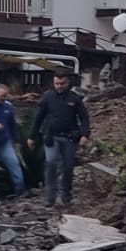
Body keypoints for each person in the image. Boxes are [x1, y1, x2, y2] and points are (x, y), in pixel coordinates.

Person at [29, 72, 91, 208]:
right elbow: (38, 117)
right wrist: (32, 136)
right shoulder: (47, 97)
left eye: (62, 83)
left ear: (67, 83)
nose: (59, 86)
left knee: (68, 166)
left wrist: (85, 135)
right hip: (51, 137)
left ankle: (66, 196)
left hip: (70, 138)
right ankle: (50, 197)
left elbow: (84, 118)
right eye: (57, 83)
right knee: (51, 162)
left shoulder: (75, 99)